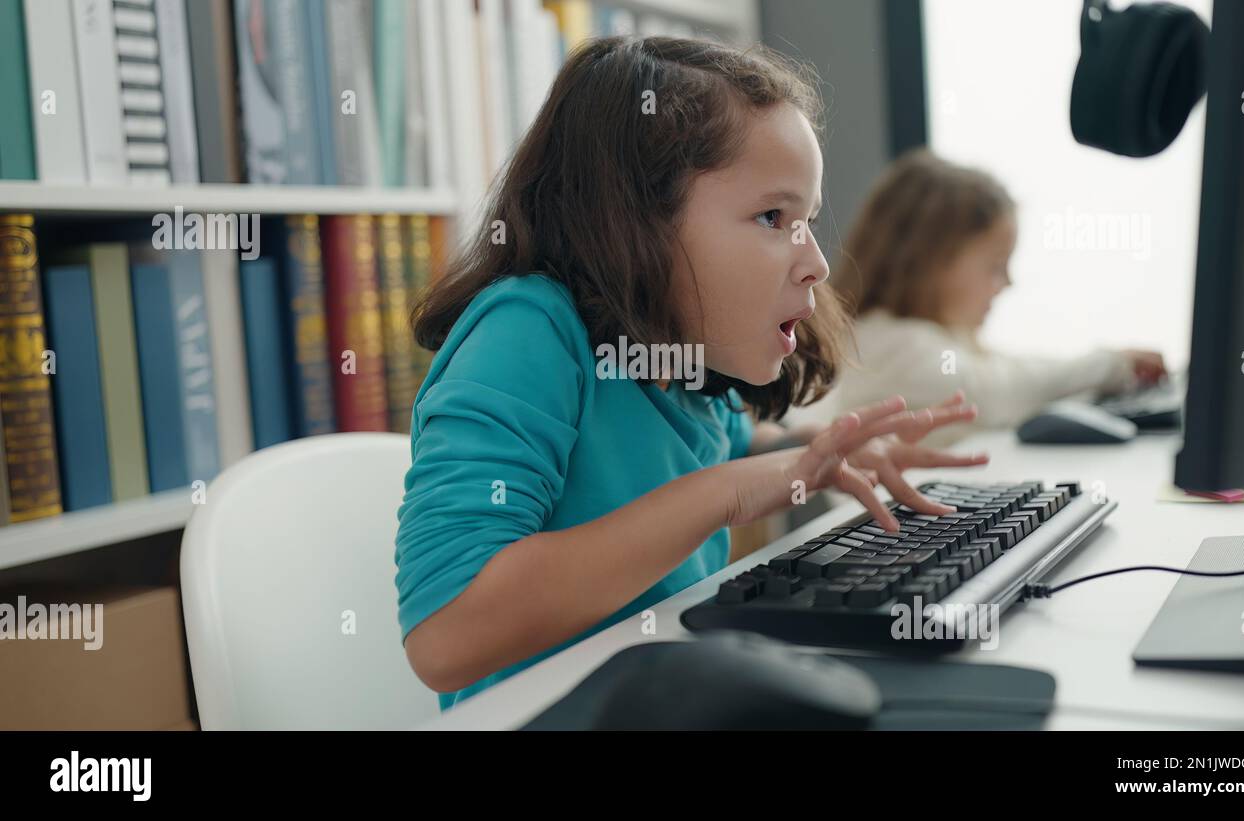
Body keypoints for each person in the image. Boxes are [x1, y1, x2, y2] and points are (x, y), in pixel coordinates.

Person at [395, 38, 988, 710]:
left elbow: (734, 448)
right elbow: (445, 635)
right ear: (636, 221)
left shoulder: (679, 357)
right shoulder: (528, 332)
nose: (818, 264)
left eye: (809, 221)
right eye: (773, 217)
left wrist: (819, 455)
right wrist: (729, 493)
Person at [830, 149, 1166, 447]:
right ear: (929, 261)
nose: (1008, 282)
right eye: (995, 266)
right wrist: (1108, 365)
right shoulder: (887, 344)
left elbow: (1008, 368)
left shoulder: (942, 338)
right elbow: (998, 390)